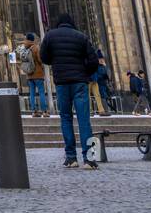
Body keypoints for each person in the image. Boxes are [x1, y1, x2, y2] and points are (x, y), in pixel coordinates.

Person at [39, 12, 100, 169]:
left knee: (66, 118)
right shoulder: (81, 36)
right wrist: (85, 72)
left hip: (62, 82)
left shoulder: (50, 36)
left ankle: (71, 158)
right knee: (84, 119)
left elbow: (43, 57)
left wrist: (57, 62)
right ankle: (90, 159)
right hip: (80, 82)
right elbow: (94, 60)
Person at [18, 33, 48, 117]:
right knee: (41, 92)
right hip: (38, 74)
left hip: (29, 75)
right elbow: (40, 60)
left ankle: (34, 111)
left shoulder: (24, 48)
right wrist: (42, 66)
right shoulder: (35, 48)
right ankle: (44, 111)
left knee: (32, 93)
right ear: (33, 39)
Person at [87, 50, 108, 117]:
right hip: (89, 79)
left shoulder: (96, 61)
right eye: (100, 59)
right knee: (88, 96)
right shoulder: (88, 58)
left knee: (97, 95)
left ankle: (101, 111)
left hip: (94, 79)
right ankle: (90, 111)